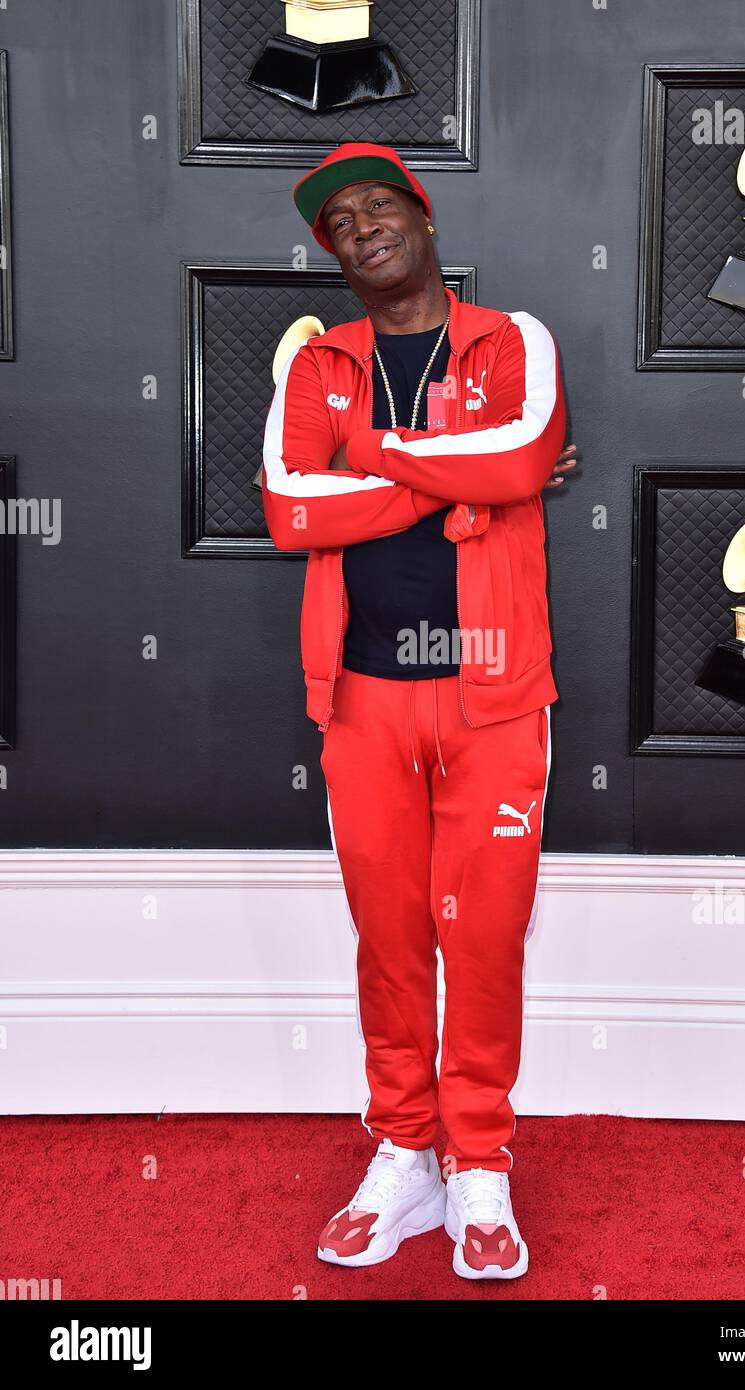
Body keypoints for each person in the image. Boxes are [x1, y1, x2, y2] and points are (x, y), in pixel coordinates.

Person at [260, 142, 576, 1280]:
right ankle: (403, 1149)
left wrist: (382, 461)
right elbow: (289, 507)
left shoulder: (513, 340)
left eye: (377, 206)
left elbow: (528, 448)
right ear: (331, 253)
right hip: (360, 699)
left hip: (494, 688)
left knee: (483, 937)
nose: (360, 228)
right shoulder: (317, 365)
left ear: (423, 218)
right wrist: (466, 472)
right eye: (338, 222)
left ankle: (478, 1162)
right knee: (390, 938)